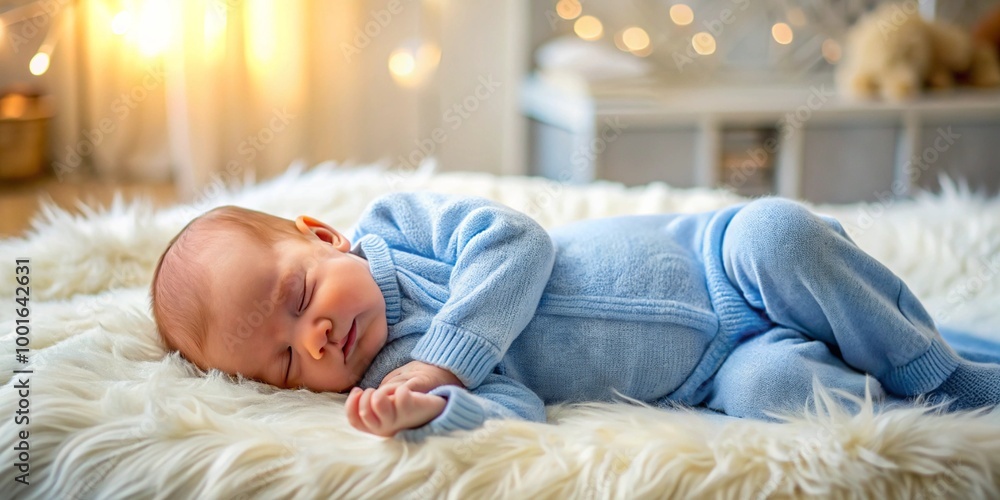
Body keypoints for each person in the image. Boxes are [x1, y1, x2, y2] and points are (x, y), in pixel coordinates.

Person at [150, 192, 1000, 441]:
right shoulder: (391, 377)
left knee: (781, 228)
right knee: (779, 390)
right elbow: (521, 411)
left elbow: (518, 240)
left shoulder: (400, 233)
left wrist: (449, 355)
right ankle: (910, 422)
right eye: (287, 362)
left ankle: (944, 375)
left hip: (714, 258)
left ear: (325, 236)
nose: (317, 338)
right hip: (709, 376)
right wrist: (437, 407)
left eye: (300, 300)